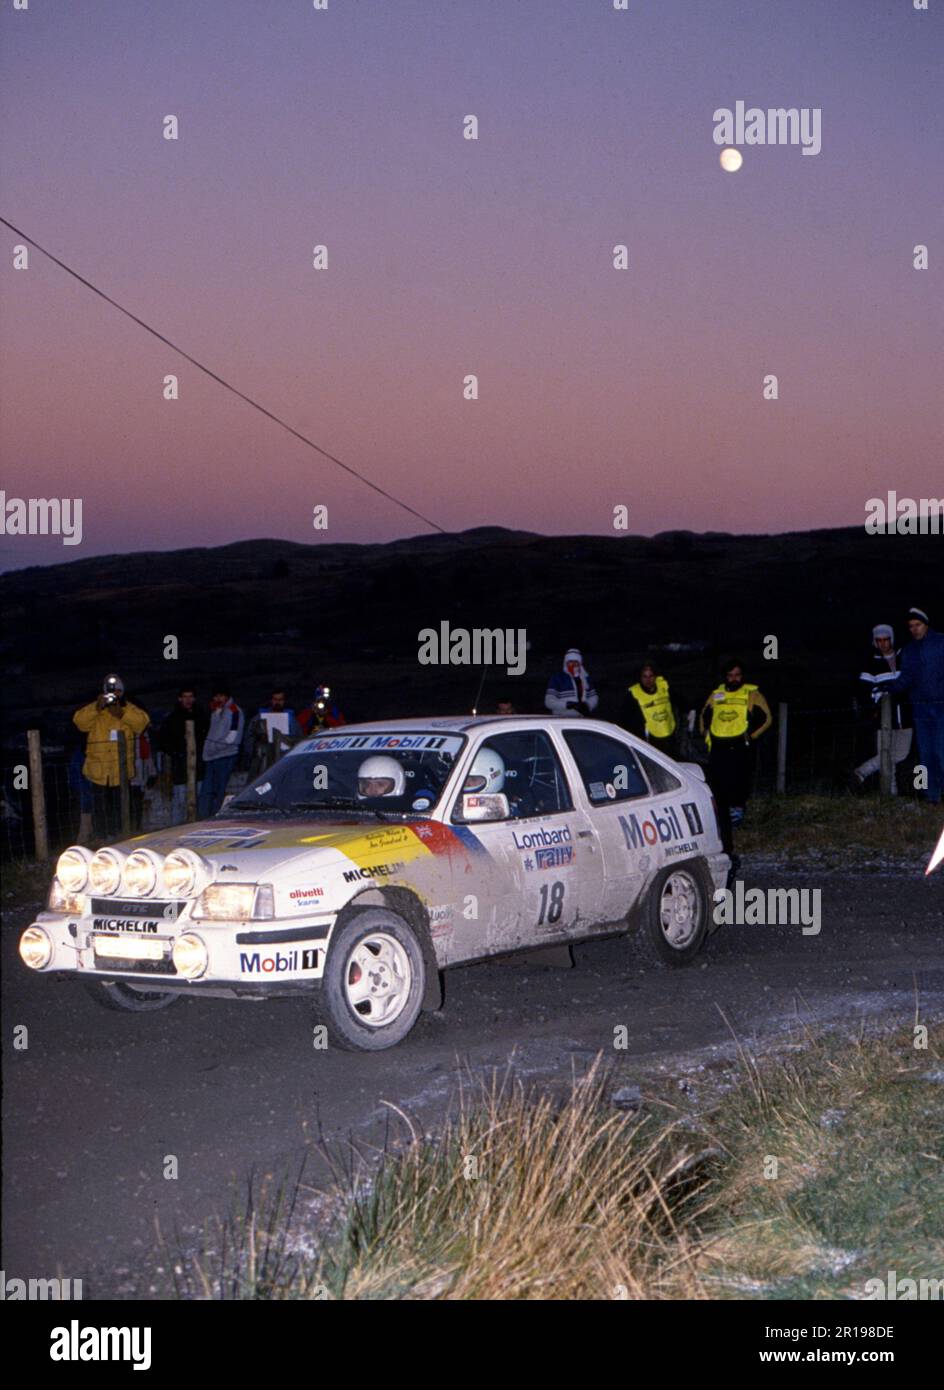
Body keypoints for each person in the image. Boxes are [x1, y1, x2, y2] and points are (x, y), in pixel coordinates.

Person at [699, 659, 772, 848]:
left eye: (737, 675)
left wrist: (751, 736)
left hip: (741, 745)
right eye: (730, 675)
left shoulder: (752, 694)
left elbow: (766, 718)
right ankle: (721, 816)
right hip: (719, 745)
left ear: (742, 676)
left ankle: (737, 813)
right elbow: (704, 716)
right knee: (718, 781)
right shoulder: (716, 694)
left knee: (740, 780)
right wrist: (706, 734)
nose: (734, 679)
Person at [72, 674, 150, 841]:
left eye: (117, 692)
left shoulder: (129, 708)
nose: (113, 696)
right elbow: (79, 722)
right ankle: (101, 839)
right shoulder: (96, 710)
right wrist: (96, 707)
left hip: (121, 772)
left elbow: (141, 724)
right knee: (99, 809)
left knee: (121, 808)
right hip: (98, 772)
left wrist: (121, 713)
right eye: (110, 693)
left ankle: (121, 838)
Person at [884, 607, 944, 806]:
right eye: (911, 626)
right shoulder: (909, 651)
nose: (914, 629)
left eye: (918, 625)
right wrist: (888, 689)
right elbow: (906, 678)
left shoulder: (941, 642)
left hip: (940, 706)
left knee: (940, 751)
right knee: (925, 753)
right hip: (920, 708)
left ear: (926, 625)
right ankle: (930, 796)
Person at [849, 624, 913, 795]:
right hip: (883, 717)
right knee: (885, 753)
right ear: (875, 642)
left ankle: (862, 771)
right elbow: (865, 691)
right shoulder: (871, 663)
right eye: (879, 640)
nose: (883, 643)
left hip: (906, 716)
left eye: (886, 639)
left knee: (900, 754)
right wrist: (876, 704)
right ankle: (890, 795)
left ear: (891, 639)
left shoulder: (904, 657)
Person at [155, 687, 209, 825]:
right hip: (179, 766)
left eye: (190, 696)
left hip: (199, 765)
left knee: (199, 798)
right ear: (180, 698)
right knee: (179, 800)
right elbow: (162, 740)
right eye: (185, 696)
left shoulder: (201, 716)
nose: (188, 700)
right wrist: (176, 752)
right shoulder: (172, 718)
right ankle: (176, 828)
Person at [621, 662, 686, 757]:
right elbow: (625, 717)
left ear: (655, 676)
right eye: (645, 676)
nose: (648, 680)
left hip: (669, 734)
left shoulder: (663, 686)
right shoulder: (633, 694)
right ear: (640, 678)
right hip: (649, 739)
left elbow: (680, 700)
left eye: (651, 676)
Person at [198, 684, 245, 818]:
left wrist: (214, 747)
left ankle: (215, 816)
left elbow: (232, 737)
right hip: (213, 755)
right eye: (216, 696)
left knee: (218, 790)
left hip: (225, 755)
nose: (218, 699)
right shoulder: (218, 711)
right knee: (208, 791)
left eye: (221, 696)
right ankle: (205, 817)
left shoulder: (234, 711)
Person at [246, 688, 301, 776]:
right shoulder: (259, 717)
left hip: (284, 757)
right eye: (275, 699)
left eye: (280, 700)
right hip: (264, 758)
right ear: (271, 700)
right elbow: (250, 737)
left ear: (284, 701)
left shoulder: (291, 719)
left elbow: (297, 737)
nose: (277, 702)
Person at [545, 649, 598, 717]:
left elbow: (594, 697)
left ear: (580, 663)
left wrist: (588, 705)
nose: (573, 664)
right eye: (570, 662)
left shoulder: (585, 678)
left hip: (583, 718)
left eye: (576, 662)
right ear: (566, 663)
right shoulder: (558, 678)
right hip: (563, 719)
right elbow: (549, 702)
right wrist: (567, 705)